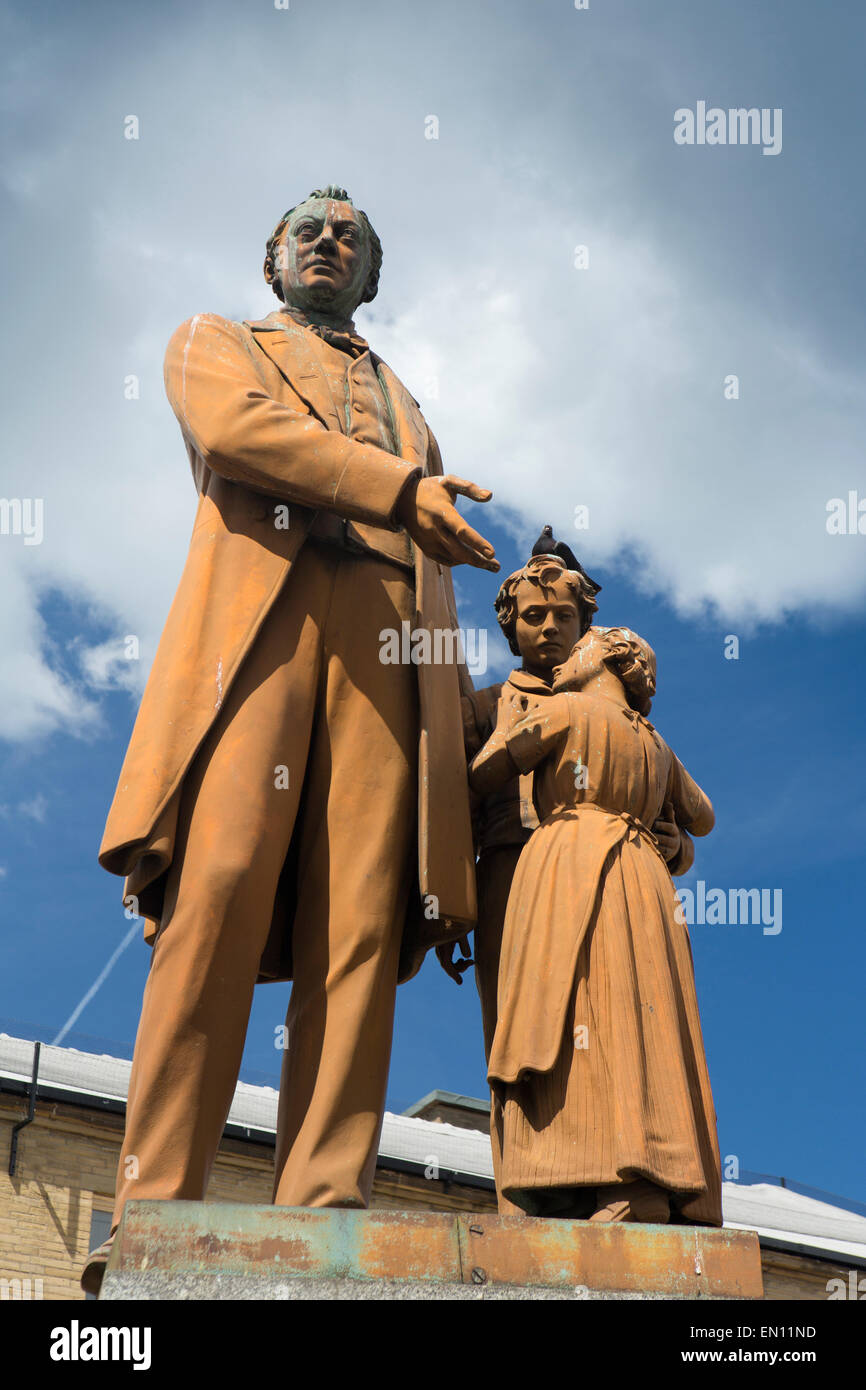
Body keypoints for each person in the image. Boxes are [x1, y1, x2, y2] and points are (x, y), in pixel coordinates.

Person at [82, 185, 497, 1293]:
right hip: (267, 626)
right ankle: (153, 1203)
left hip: (389, 653)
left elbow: (439, 577)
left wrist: (471, 731)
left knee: (358, 923)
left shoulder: (412, 407)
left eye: (349, 238)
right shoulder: (215, 341)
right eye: (306, 231)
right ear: (274, 264)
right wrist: (398, 490)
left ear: (371, 276)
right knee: (215, 890)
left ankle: (323, 1210)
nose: (327, 242)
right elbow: (237, 434)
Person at [439, 547, 694, 1210]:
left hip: (609, 873)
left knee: (617, 1017)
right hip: (511, 871)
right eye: (532, 616)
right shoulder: (486, 706)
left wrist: (670, 845)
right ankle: (528, 1193)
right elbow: (454, 804)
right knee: (520, 1035)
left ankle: (617, 1165)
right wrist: (445, 900)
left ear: (587, 626)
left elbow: (674, 818)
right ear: (509, 625)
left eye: (562, 615)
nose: (548, 628)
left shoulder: (616, 711)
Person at [469, 624, 722, 1224]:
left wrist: (505, 727)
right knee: (642, 1020)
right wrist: (674, 842)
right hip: (642, 878)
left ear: (608, 655)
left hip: (570, 863)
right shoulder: (657, 742)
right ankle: (652, 1183)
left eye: (580, 646)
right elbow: (704, 816)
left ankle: (589, 1179)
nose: (564, 655)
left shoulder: (566, 709)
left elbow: (487, 770)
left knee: (574, 1012)